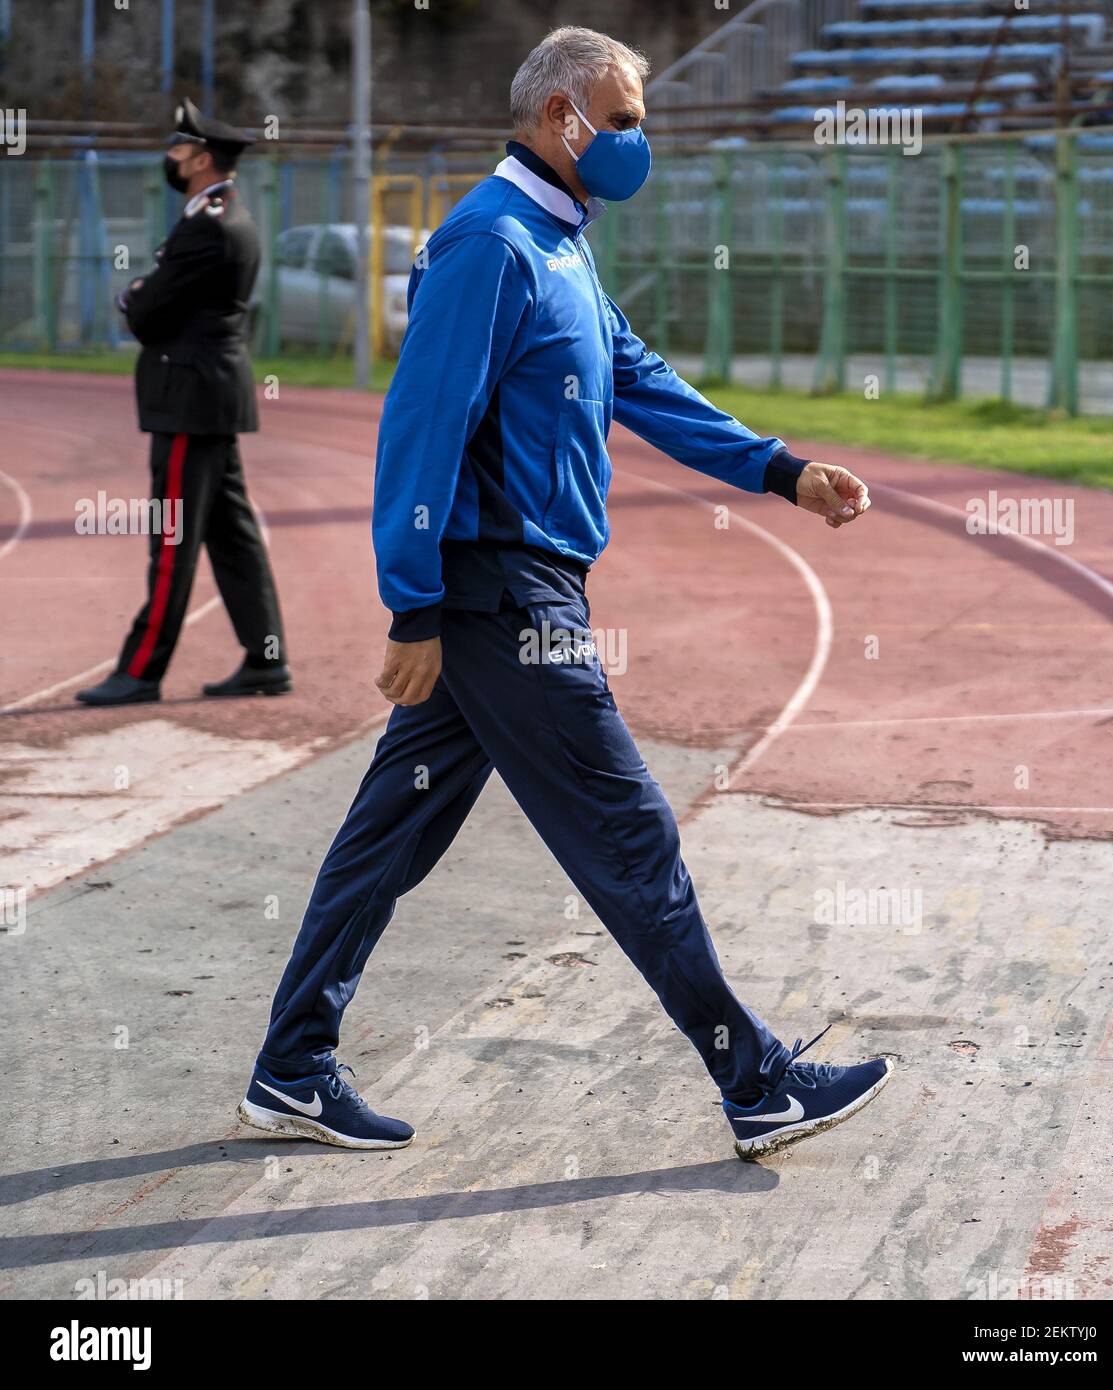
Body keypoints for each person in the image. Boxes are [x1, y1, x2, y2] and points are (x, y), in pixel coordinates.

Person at [240, 28, 891, 1162]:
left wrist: (780, 469)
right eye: (624, 117)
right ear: (558, 116)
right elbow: (420, 427)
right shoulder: (490, 244)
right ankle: (758, 1080)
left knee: (387, 835)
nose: (639, 138)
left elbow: (635, 377)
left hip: (509, 594)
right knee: (628, 830)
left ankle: (290, 1066)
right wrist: (414, 606)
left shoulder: (558, 241)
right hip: (504, 600)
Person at [77, 98, 289, 707]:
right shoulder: (220, 215)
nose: (168, 157)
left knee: (171, 538)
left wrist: (135, 295)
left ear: (200, 160)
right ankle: (266, 657)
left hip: (191, 397)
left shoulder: (209, 226)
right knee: (232, 535)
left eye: (177, 148)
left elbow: (147, 309)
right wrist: (145, 292)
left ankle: (141, 670)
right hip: (208, 395)